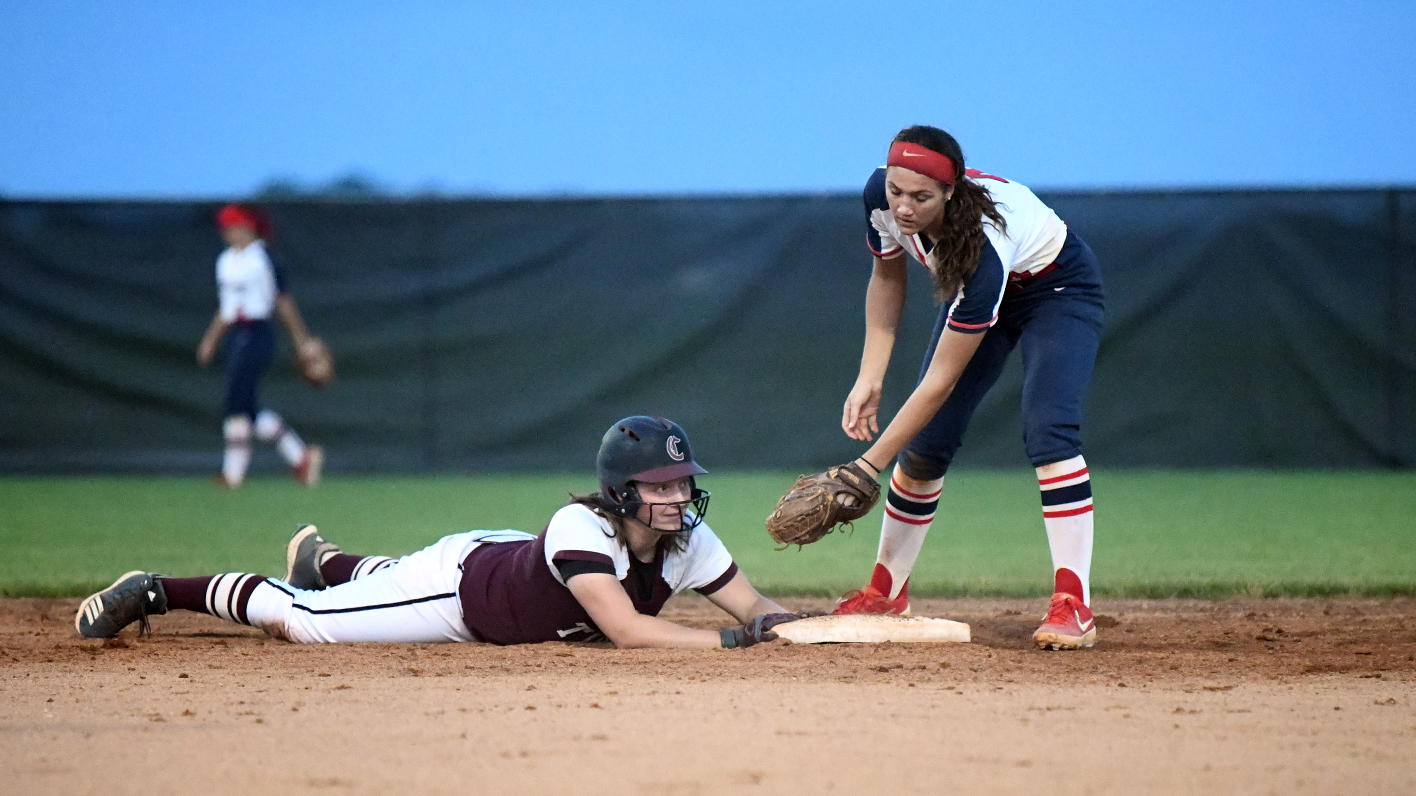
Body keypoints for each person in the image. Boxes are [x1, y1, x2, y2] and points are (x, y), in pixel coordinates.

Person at [74, 416, 800, 650]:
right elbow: (627, 629)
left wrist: (809, 630)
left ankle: (325, 559)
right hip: (458, 595)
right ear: (621, 492)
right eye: (662, 486)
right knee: (302, 621)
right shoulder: (585, 526)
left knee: (381, 578)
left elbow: (757, 609)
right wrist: (731, 642)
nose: (679, 495)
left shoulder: (685, 540)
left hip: (503, 556)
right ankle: (158, 590)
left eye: (682, 483)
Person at [832, 125, 1105, 651]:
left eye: (921, 196)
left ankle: (1074, 603)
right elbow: (888, 278)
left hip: (1057, 288)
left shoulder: (980, 245)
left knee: (1050, 431)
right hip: (981, 292)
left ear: (951, 191)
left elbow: (940, 379)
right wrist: (871, 375)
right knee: (927, 446)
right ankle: (887, 592)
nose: (904, 207)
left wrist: (865, 467)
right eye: (896, 190)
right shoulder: (879, 199)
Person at [197, 203, 323, 488]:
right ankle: (300, 456)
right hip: (237, 332)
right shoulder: (226, 260)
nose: (226, 232)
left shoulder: (263, 258)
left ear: (246, 227)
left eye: (231, 226)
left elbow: (282, 301)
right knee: (245, 408)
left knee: (237, 404)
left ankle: (233, 475)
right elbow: (226, 307)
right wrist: (211, 339)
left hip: (258, 332)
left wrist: (302, 340)